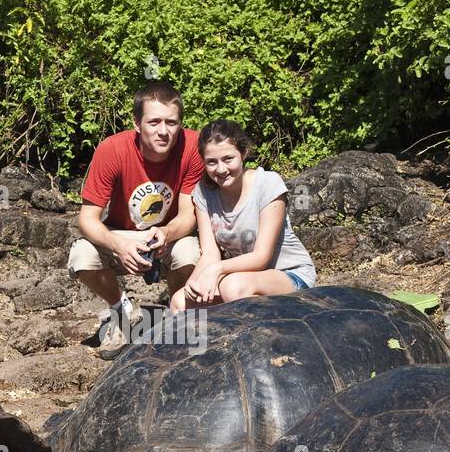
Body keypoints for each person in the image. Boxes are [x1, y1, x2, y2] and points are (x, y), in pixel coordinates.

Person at [68, 81, 203, 359]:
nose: (163, 131)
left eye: (171, 122)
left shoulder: (192, 147)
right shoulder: (112, 150)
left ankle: (177, 315)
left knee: (190, 253)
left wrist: (167, 232)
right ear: (137, 123)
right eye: (154, 122)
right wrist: (118, 245)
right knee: (82, 255)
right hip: (121, 233)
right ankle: (120, 311)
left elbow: (189, 214)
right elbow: (87, 219)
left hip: (167, 233)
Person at [171, 120, 315, 312]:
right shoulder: (203, 193)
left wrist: (217, 269)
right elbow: (210, 254)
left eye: (228, 159)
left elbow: (261, 256)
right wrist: (193, 283)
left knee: (233, 287)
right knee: (180, 302)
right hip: (237, 277)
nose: (221, 169)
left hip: (288, 275)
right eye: (212, 162)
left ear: (243, 153)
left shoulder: (268, 184)